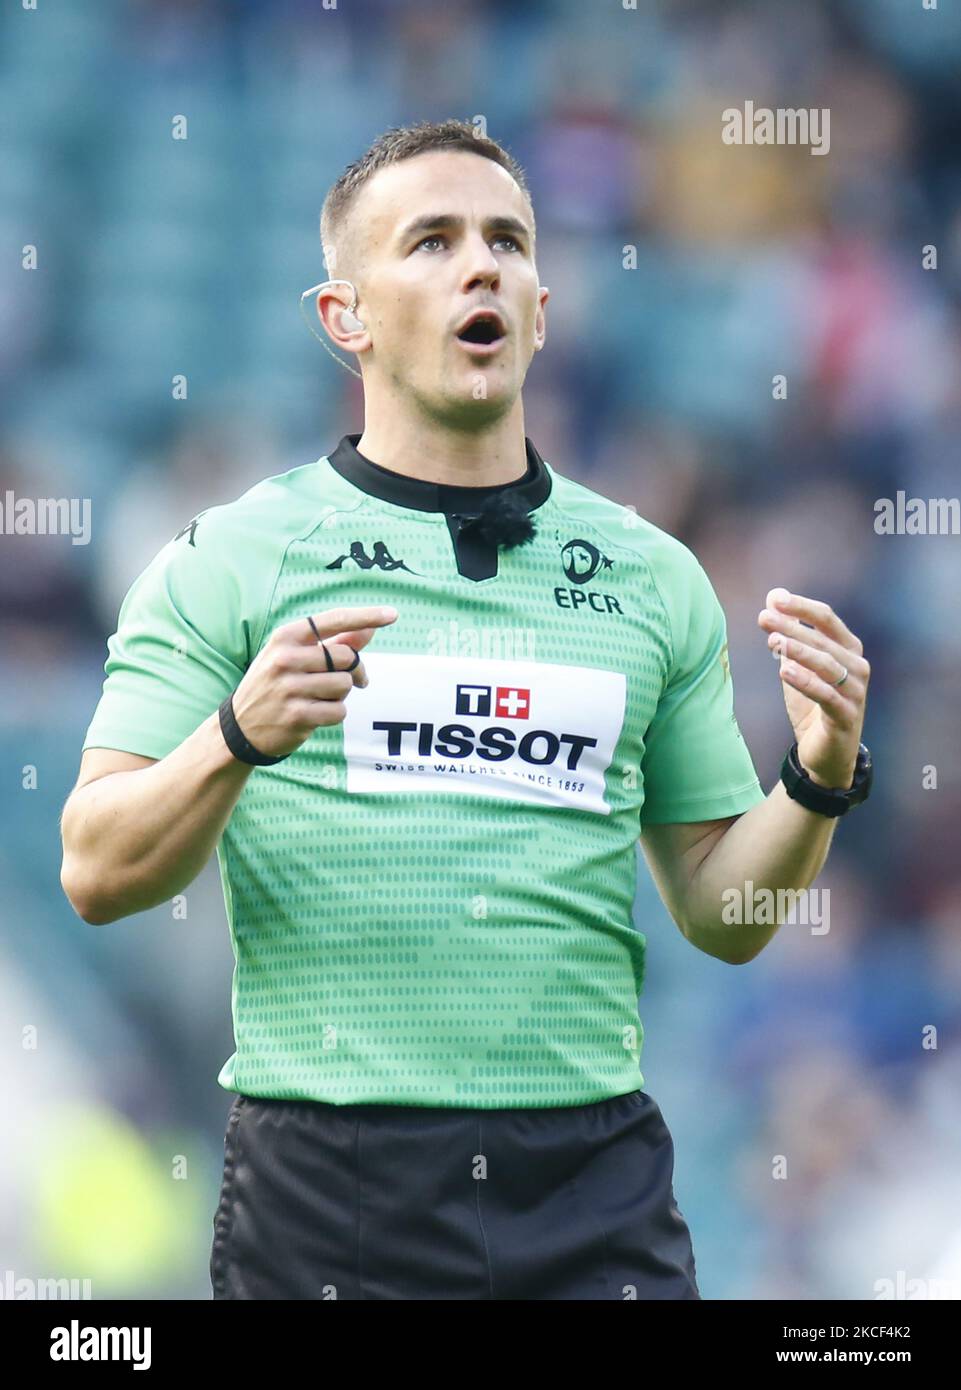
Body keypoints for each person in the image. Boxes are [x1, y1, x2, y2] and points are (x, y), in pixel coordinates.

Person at [60, 119, 872, 1300]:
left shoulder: (651, 575)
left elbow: (724, 910)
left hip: (593, 1184)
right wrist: (235, 738)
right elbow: (95, 867)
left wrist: (815, 773)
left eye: (507, 240)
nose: (480, 265)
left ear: (540, 310)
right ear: (345, 318)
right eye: (431, 242)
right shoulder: (227, 561)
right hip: (331, 1190)